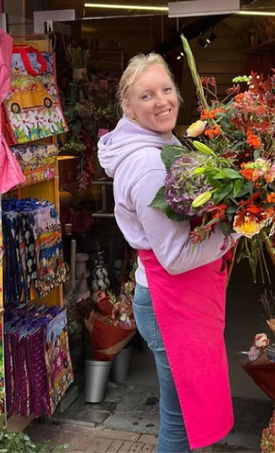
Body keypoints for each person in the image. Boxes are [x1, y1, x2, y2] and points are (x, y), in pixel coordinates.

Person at [98, 53, 240, 452]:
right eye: (147, 95)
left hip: (172, 299)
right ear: (128, 106)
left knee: (183, 416)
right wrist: (236, 230)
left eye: (166, 90)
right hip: (169, 302)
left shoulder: (160, 142)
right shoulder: (148, 163)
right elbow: (175, 256)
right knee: (179, 424)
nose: (161, 101)